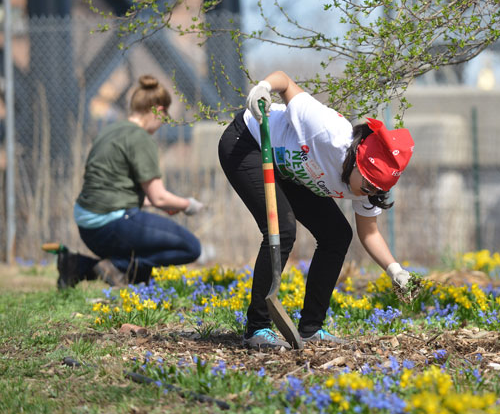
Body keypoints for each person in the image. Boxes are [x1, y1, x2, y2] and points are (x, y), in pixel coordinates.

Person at [218, 71, 414, 349]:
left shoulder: (368, 185)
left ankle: (311, 327)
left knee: (337, 234)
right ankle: (257, 328)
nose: (370, 193)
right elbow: (284, 81)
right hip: (248, 143)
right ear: (356, 161)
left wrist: (395, 270)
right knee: (282, 230)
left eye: (377, 190)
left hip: (289, 170)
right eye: (369, 185)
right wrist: (263, 88)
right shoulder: (327, 131)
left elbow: (369, 233)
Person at [53, 75, 204, 289]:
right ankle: (117, 266)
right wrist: (189, 205)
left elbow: (117, 190)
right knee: (190, 247)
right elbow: (159, 197)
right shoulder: (140, 138)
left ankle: (78, 265)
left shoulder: (110, 131)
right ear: (158, 111)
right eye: (164, 117)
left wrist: (167, 205)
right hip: (112, 225)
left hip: (88, 227)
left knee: (144, 269)